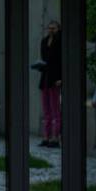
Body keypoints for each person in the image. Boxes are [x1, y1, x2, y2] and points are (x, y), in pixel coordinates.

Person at [37, 20, 62, 148]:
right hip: (45, 78)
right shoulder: (44, 41)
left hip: (55, 78)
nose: (51, 30)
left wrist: (60, 78)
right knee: (46, 109)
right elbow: (44, 59)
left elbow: (61, 61)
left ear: (58, 29)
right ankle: (46, 136)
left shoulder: (61, 41)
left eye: (54, 28)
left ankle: (55, 137)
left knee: (55, 109)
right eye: (49, 28)